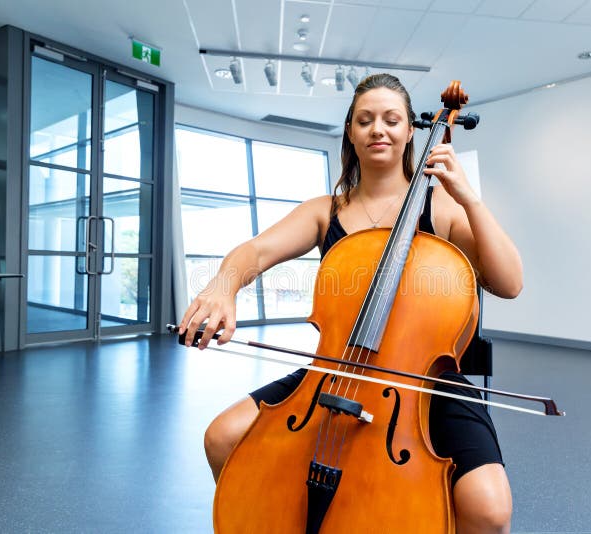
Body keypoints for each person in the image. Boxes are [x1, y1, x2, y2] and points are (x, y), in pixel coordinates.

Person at [178, 73, 522, 534]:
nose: (378, 129)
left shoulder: (441, 211)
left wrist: (468, 198)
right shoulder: (327, 210)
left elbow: (509, 283)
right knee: (223, 436)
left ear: (410, 133)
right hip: (338, 367)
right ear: (350, 132)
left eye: (391, 119)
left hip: (426, 381)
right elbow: (255, 252)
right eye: (365, 120)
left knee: (489, 508)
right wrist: (223, 286)